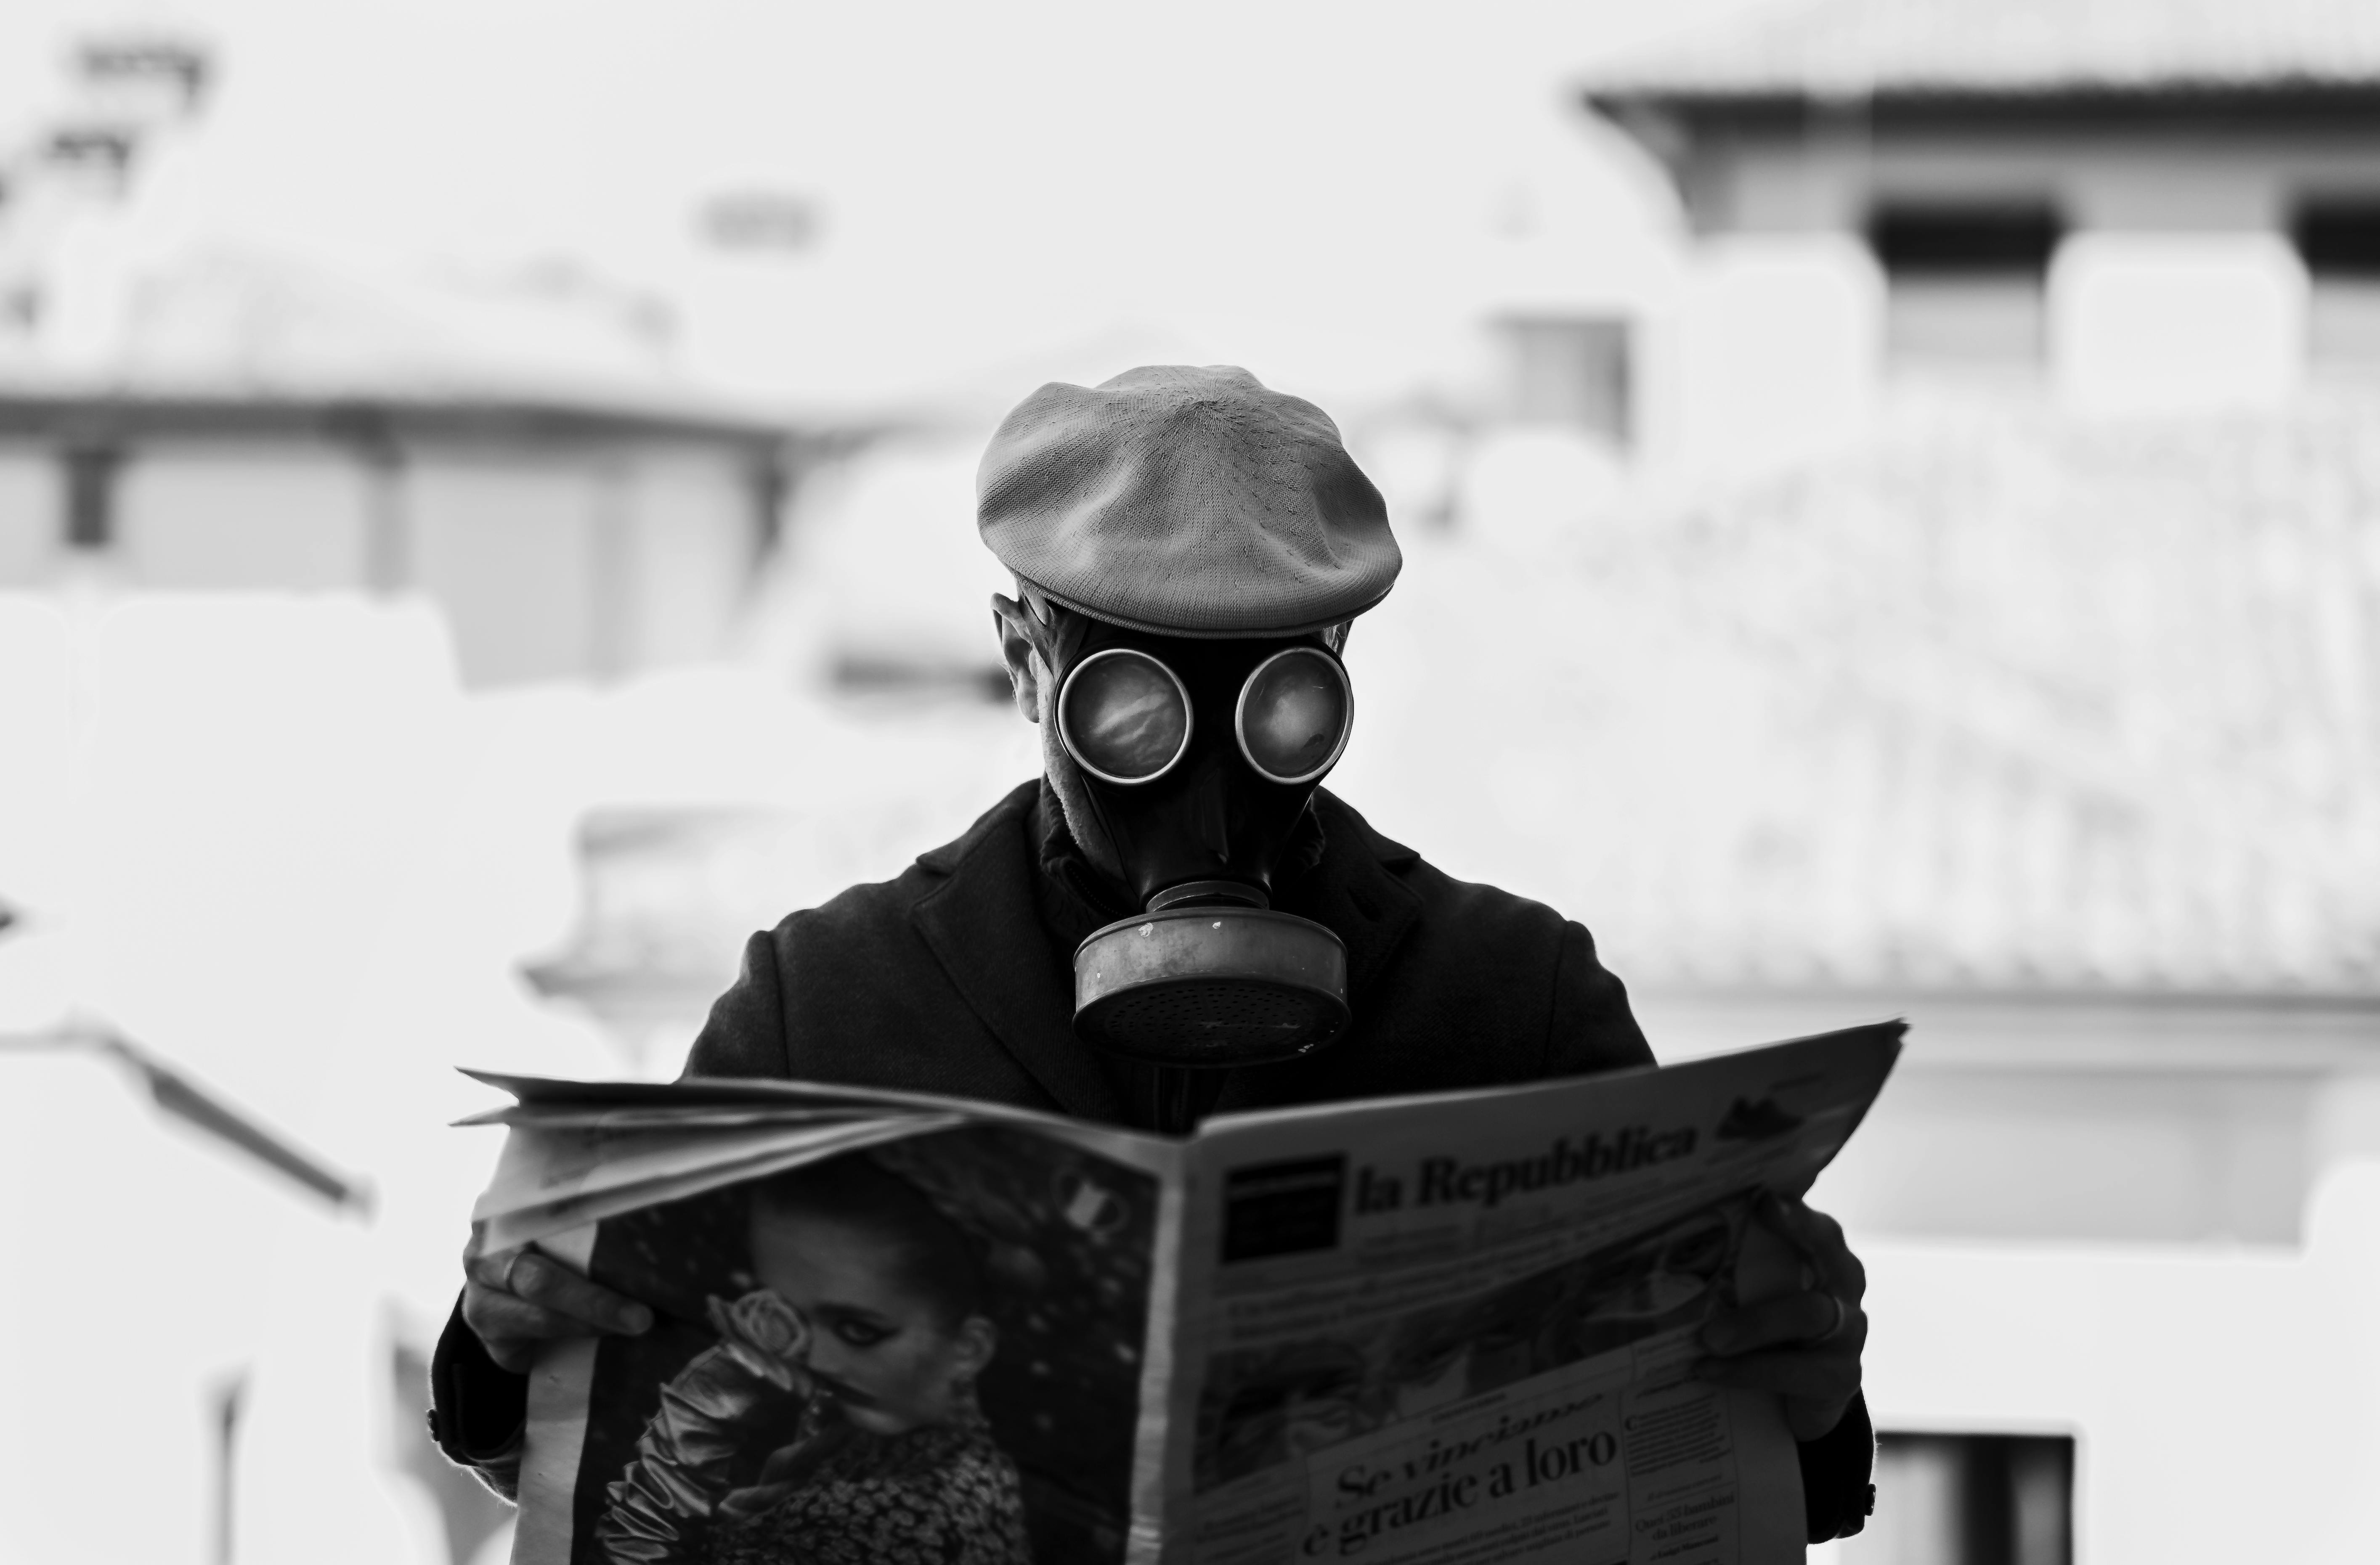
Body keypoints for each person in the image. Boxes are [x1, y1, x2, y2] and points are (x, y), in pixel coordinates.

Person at [432, 365, 1876, 1541]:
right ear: (1024, 660)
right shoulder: (827, 1000)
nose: (1207, 791)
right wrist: (510, 1333)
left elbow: (1746, 1488)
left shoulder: (1513, 998)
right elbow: (618, 1475)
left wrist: (1796, 1370)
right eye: (1129, 710)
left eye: (1278, 705)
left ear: (1336, 675)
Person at [594, 1156, 1031, 1565]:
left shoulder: (909, 1511)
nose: (814, 1358)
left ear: (969, 1348)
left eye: (860, 1330)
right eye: (791, 1318)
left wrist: (702, 1409)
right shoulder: (852, 1444)